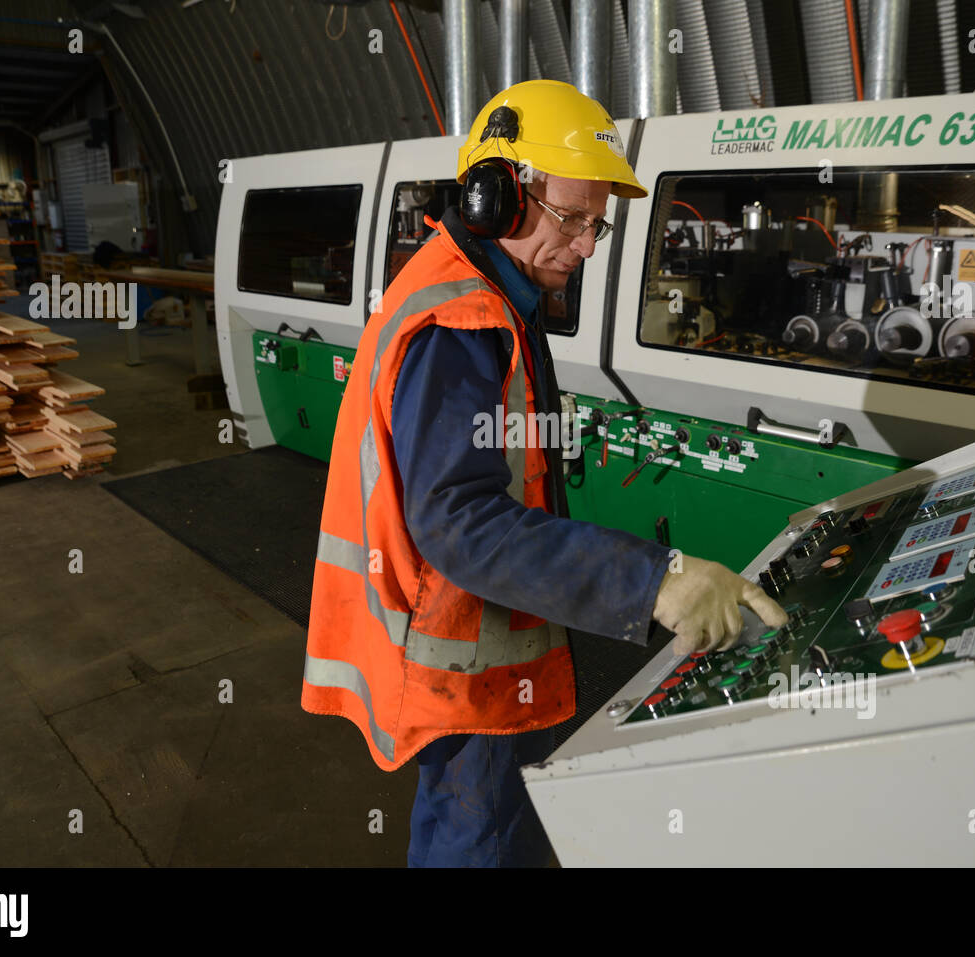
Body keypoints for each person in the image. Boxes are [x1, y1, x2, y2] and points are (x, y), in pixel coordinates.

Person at [301, 79, 787, 867]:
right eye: (574, 220)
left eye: (599, 225)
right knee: (481, 844)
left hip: (475, 642)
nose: (589, 246)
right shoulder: (460, 320)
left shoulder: (489, 290)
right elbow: (459, 520)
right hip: (461, 656)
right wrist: (653, 582)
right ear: (499, 195)